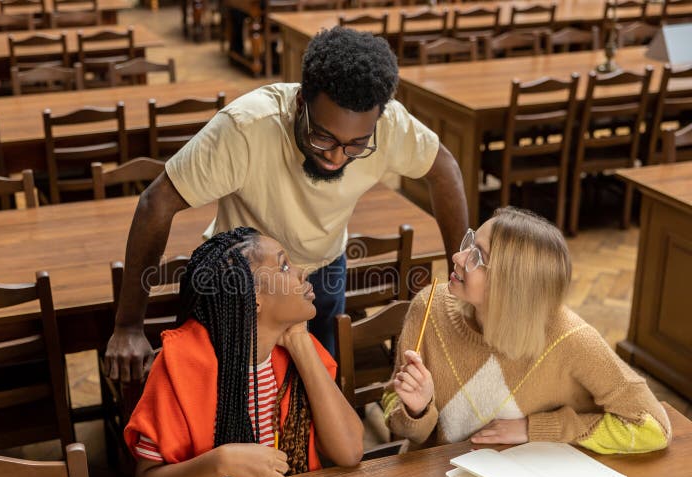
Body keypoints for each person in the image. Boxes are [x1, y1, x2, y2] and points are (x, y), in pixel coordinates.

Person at [104, 26, 469, 382]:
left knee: (320, 384)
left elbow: (445, 171)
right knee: (238, 392)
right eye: (322, 137)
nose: (336, 157)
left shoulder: (389, 124)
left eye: (356, 145)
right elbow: (156, 203)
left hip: (324, 267)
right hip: (246, 283)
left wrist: (461, 283)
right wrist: (129, 324)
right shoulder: (246, 128)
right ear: (300, 104)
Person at [384, 207, 671, 454]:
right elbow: (393, 405)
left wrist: (536, 428)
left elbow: (653, 427)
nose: (458, 256)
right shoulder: (429, 308)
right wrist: (416, 409)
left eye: (477, 256)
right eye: (470, 243)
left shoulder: (571, 339)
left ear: (512, 286)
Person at [125, 227, 364, 477]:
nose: (302, 272)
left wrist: (300, 342)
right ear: (254, 298)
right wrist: (220, 462)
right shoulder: (180, 364)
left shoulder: (297, 352)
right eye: (284, 266)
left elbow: (350, 452)